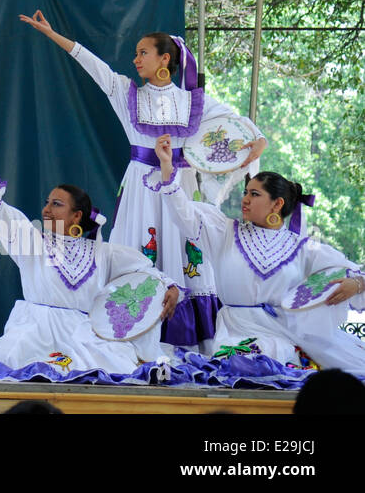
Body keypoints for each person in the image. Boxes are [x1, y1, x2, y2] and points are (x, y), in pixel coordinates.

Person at [20, 11, 266, 350]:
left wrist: (259, 141)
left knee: (185, 255)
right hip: (140, 187)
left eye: (142, 53)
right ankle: (132, 337)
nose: (135, 59)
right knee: (138, 252)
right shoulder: (127, 94)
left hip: (181, 185)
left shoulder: (194, 102)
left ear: (165, 58)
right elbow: (94, 66)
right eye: (135, 53)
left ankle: (188, 342)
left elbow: (236, 123)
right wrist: (51, 33)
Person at [0, 146, 179, 382]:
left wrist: (170, 287)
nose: (46, 209)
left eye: (56, 204)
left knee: (111, 363)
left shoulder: (102, 252)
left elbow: (146, 270)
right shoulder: (31, 239)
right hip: (35, 329)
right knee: (14, 359)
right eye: (47, 202)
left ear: (77, 216)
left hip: (84, 333)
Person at [145, 139, 365, 377]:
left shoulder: (301, 247)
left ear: (277, 204)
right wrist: (167, 166)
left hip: (283, 332)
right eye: (245, 193)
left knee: (296, 361)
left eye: (255, 194)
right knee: (247, 363)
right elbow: (183, 213)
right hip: (236, 331)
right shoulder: (224, 232)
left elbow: (348, 270)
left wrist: (357, 284)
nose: (245, 199)